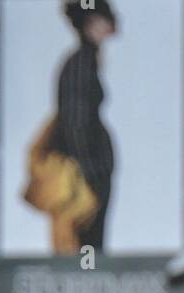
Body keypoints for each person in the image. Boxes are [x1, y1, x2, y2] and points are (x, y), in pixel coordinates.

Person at [47, 1, 120, 252]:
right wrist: (88, 169)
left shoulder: (86, 60)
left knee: (91, 243)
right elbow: (74, 121)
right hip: (87, 170)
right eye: (98, 21)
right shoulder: (81, 62)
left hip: (92, 166)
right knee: (85, 243)